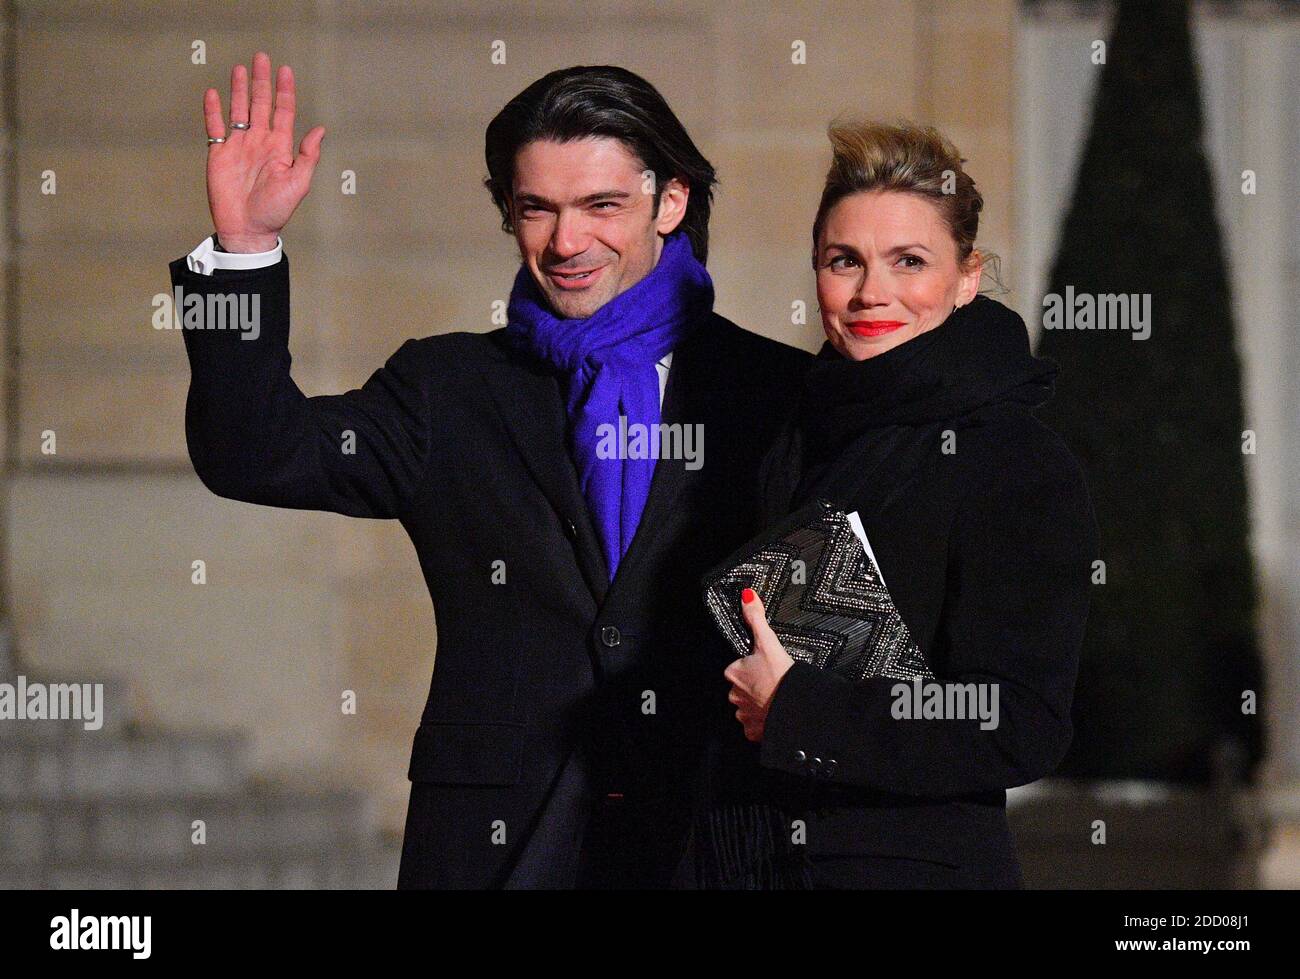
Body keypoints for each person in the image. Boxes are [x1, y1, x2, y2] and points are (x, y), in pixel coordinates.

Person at [174, 54, 811, 888]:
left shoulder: (779, 395)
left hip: (716, 840)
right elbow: (251, 451)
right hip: (497, 848)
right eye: (536, 209)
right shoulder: (448, 390)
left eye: (601, 205)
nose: (567, 241)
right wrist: (247, 248)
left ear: (673, 200)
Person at [703, 120, 1099, 888]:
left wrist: (803, 711)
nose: (870, 292)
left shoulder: (1012, 457)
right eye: (843, 261)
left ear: (966, 275)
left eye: (908, 261)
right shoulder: (792, 428)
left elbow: (1018, 722)